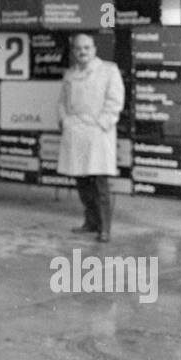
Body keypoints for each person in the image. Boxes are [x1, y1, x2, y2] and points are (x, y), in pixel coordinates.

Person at [57, 33, 125, 242]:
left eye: (87, 47)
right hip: (75, 133)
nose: (82, 52)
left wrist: (102, 123)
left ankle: (104, 228)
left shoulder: (108, 70)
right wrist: (65, 121)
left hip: (97, 134)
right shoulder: (70, 74)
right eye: (78, 48)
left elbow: (115, 100)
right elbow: (62, 102)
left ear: (94, 49)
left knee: (99, 183)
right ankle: (90, 222)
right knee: (82, 182)